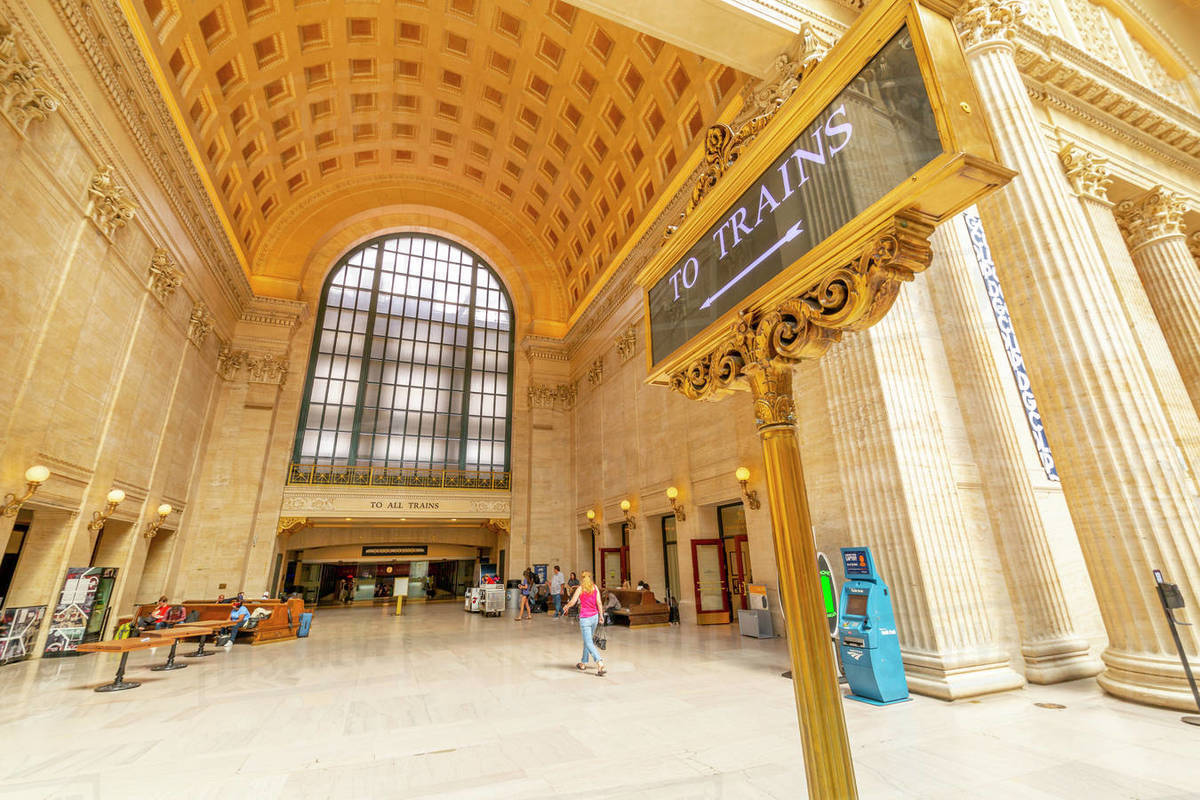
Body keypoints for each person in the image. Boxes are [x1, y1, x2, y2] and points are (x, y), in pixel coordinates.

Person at [564, 571, 606, 676]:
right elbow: (599, 602)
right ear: (591, 578)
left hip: (585, 618)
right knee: (588, 640)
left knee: (588, 641)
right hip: (595, 617)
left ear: (582, 578)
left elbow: (573, 601)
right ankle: (583, 662)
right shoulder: (595, 587)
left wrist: (566, 606)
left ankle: (599, 662)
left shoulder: (580, 588)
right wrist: (601, 615)